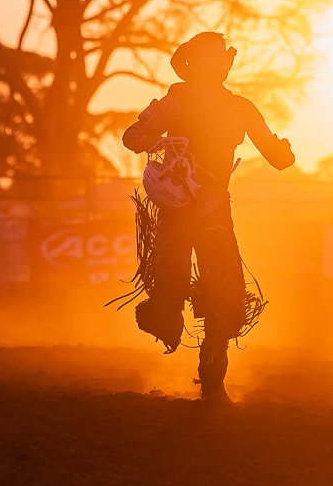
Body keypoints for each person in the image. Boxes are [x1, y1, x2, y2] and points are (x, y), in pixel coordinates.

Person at [122, 32, 295, 402]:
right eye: (210, 57)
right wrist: (153, 133)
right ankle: (172, 327)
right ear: (194, 64)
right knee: (172, 284)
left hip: (213, 210)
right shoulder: (177, 101)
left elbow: (278, 159)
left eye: (222, 57)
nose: (218, 64)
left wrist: (283, 151)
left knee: (225, 296)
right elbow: (132, 138)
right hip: (180, 210)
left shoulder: (239, 108)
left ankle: (212, 380)